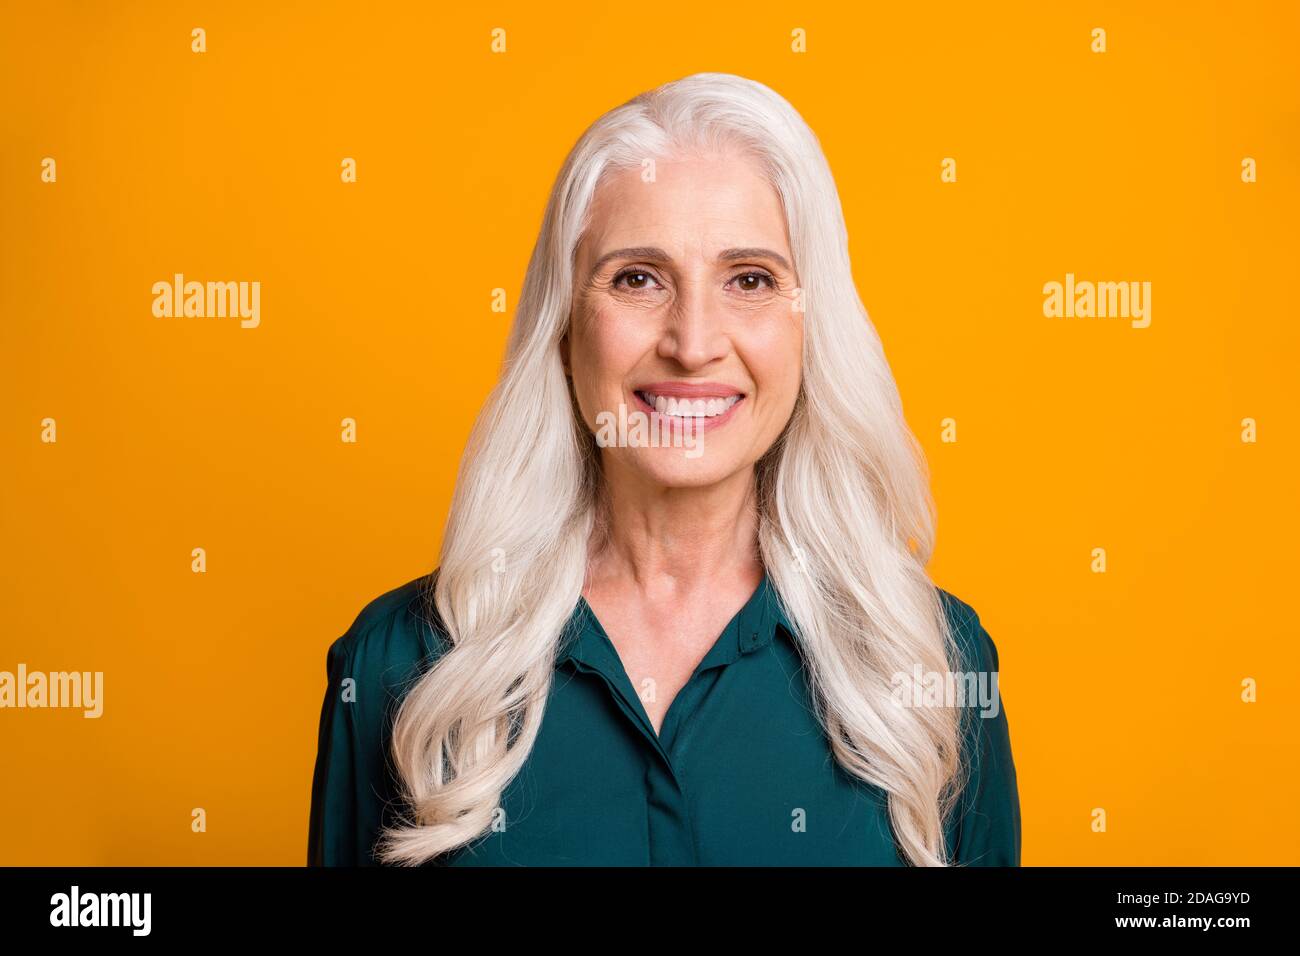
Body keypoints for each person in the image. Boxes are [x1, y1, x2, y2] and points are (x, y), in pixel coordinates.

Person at [308, 71, 1021, 867]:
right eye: (638, 278)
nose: (693, 343)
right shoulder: (400, 664)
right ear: (564, 326)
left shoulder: (932, 662)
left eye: (749, 279)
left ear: (811, 327)